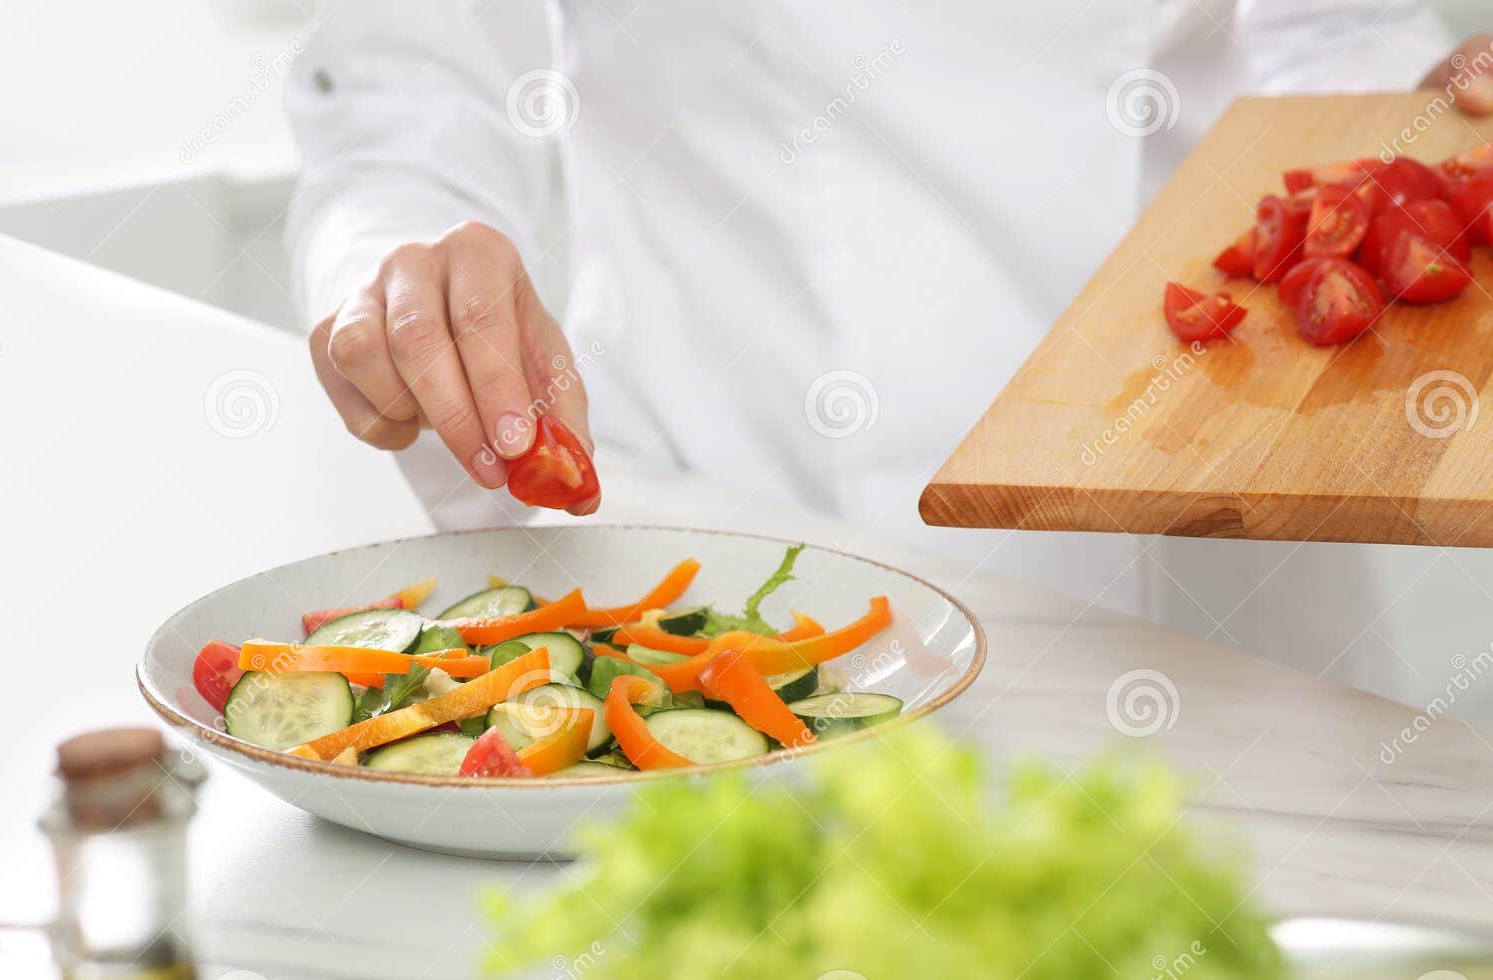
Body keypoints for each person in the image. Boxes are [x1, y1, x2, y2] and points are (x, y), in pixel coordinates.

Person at [284, 2, 1493, 712]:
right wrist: (392, 270)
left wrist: (1406, 128)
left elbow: (1331, 23)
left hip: (1225, 489)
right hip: (757, 520)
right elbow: (399, 96)